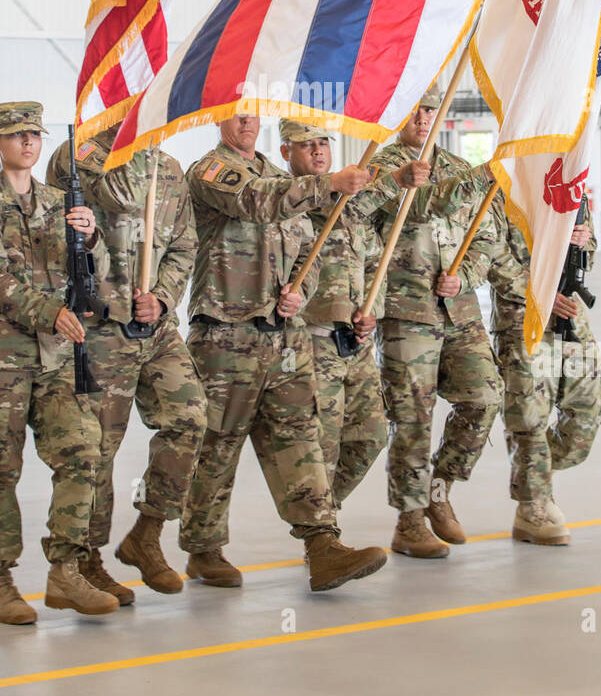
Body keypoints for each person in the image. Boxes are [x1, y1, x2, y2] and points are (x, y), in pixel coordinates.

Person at [178, 112, 388, 593]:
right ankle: (203, 547)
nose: (247, 123)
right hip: (226, 334)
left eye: (253, 114)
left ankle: (323, 545)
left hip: (285, 336)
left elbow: (307, 251)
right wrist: (329, 184)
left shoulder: (276, 176)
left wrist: (301, 290)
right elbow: (256, 204)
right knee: (220, 444)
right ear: (219, 120)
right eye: (237, 115)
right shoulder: (211, 170)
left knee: (300, 436)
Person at [0, 102, 119, 625]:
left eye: (33, 134)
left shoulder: (59, 201)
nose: (26, 143)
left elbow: (95, 269)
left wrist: (91, 236)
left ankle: (65, 572)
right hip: (0, 361)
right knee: (0, 473)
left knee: (83, 453)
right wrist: (50, 312)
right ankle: (0, 584)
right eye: (14, 135)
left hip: (54, 360)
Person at [46, 129, 205, 602]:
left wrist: (162, 297)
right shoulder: (82, 155)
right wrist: (138, 154)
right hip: (100, 326)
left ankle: (147, 532)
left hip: (154, 326)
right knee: (98, 450)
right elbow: (120, 193)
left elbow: (184, 245)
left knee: (191, 418)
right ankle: (85, 559)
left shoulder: (171, 169)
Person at [371, 90, 502, 556]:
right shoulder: (378, 170)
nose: (424, 118)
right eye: (416, 108)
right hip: (408, 315)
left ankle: (439, 486)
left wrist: (465, 275)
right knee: (411, 417)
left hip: (460, 311)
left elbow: (486, 233)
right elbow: (426, 203)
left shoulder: (455, 166)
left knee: (485, 396)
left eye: (431, 109)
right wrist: (485, 173)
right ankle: (408, 522)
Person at [277, 118, 429, 509]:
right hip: (311, 344)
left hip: (354, 344)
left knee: (372, 435)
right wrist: (393, 177)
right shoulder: (289, 201)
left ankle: (323, 510)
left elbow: (373, 263)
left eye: (323, 143)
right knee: (321, 445)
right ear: (286, 153)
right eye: (306, 145)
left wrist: (372, 311)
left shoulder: (349, 207)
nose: (317, 152)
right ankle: (320, 532)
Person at [487, 184, 601, 544]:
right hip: (523, 317)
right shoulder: (508, 184)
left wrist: (583, 239)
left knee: (591, 407)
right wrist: (539, 292)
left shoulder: (571, 185)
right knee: (530, 416)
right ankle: (533, 505)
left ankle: (532, 473)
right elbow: (492, 256)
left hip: (572, 315)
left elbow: (588, 253)